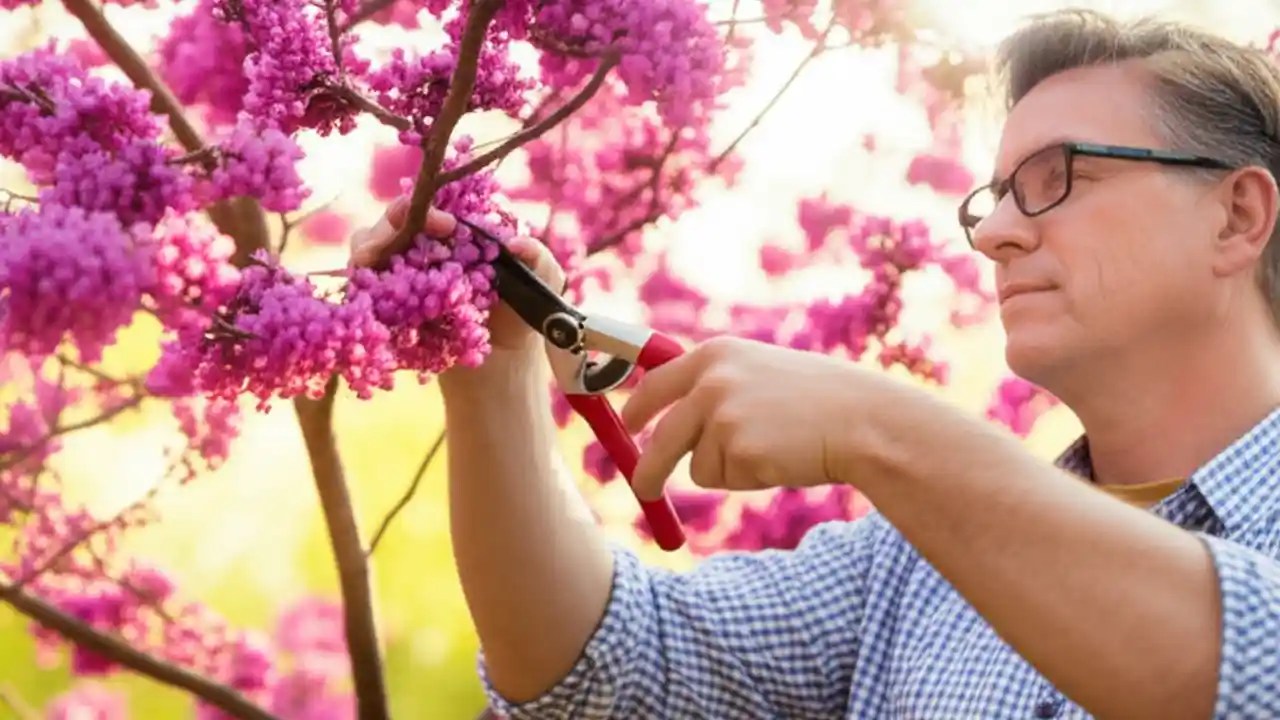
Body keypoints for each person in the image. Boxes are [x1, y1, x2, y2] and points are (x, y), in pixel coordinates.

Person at [351, 9, 1280, 719]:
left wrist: (880, 429)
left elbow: (1246, 667)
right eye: (996, 196)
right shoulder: (913, 568)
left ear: (1237, 215)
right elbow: (604, 667)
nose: (995, 233)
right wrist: (494, 374)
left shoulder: (932, 503)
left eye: (1057, 179)